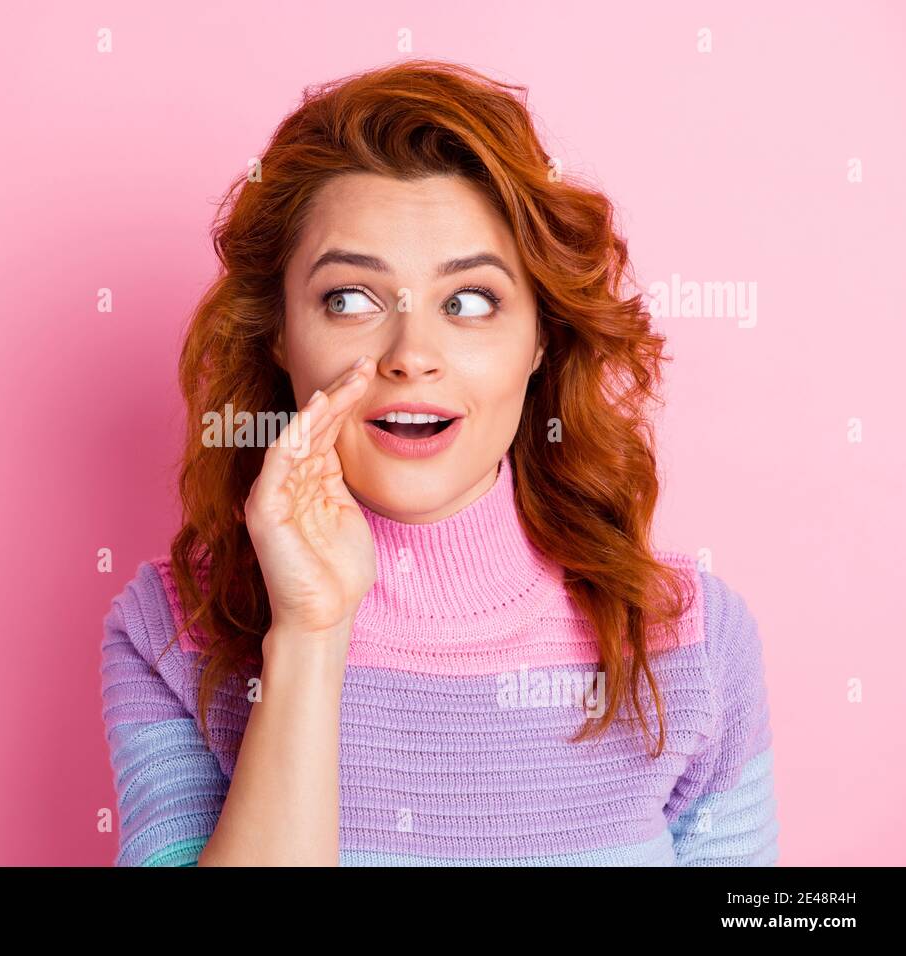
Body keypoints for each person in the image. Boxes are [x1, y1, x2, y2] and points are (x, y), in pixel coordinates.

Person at [99, 58, 778, 866]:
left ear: (539, 341)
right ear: (280, 333)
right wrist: (311, 635)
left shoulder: (691, 639)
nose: (411, 356)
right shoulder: (172, 631)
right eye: (349, 299)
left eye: (469, 302)